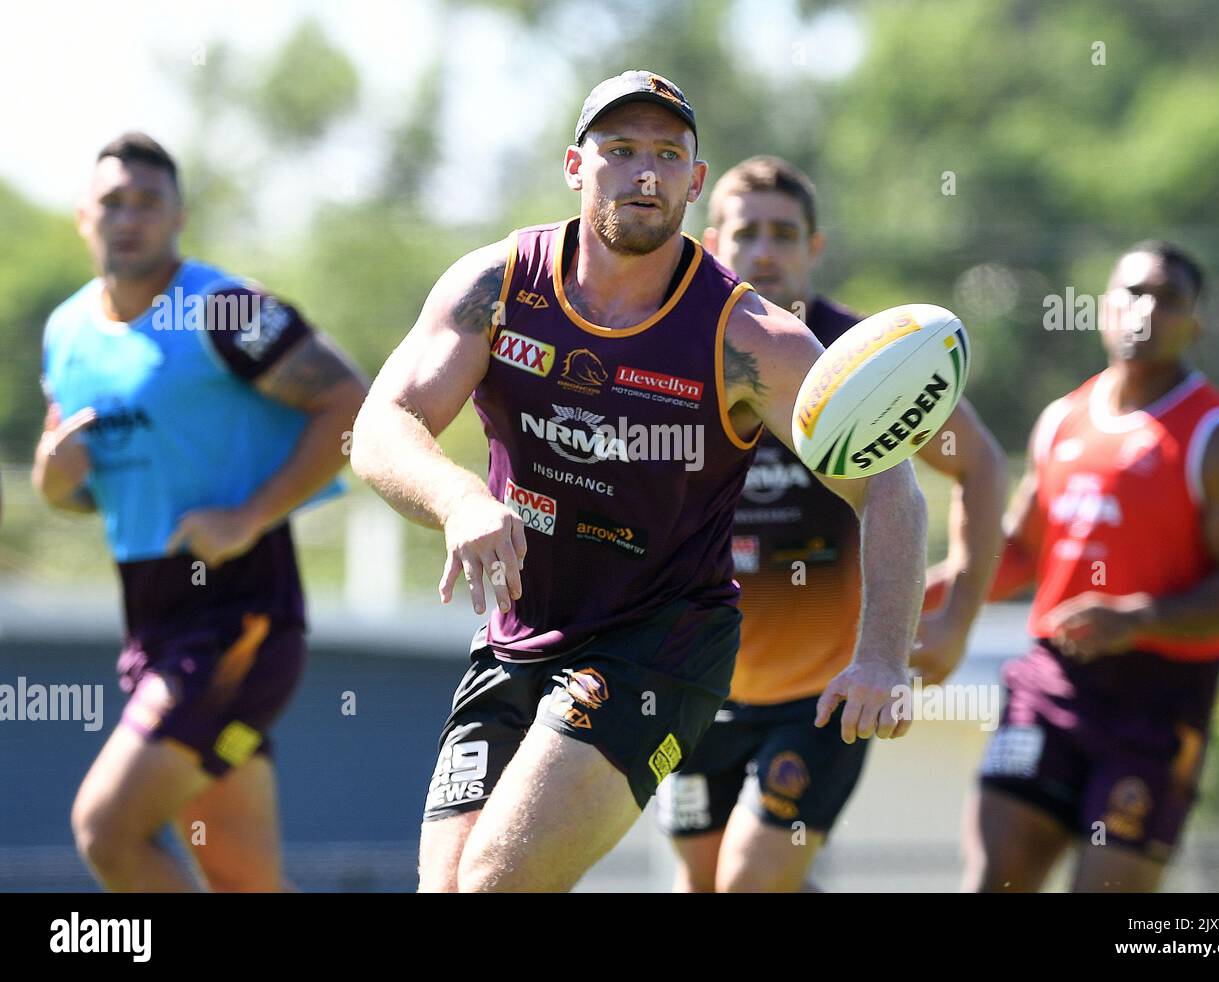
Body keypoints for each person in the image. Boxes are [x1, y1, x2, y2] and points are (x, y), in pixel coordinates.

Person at [349, 71, 928, 893]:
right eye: (620, 150)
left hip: (660, 642)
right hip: (518, 633)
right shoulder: (498, 285)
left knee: (492, 886)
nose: (644, 173)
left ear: (695, 181)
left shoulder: (750, 335)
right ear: (576, 167)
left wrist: (881, 657)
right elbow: (381, 424)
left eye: (667, 154)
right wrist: (460, 498)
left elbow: (890, 487)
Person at [655, 155, 1008, 891]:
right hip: (693, 687)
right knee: (707, 885)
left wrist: (956, 623)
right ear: (713, 239)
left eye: (784, 233)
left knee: (751, 881)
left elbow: (980, 465)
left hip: (823, 693)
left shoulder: (870, 363)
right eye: (746, 232)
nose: (765, 251)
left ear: (814, 248)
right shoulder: (673, 354)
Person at [35, 132, 368, 891]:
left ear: (178, 214)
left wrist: (249, 515)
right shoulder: (66, 332)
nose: (129, 218)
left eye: (147, 202)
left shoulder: (223, 310)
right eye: (112, 203)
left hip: (235, 620)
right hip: (151, 620)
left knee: (107, 831)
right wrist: (55, 483)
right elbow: (64, 483)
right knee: (245, 885)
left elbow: (351, 404)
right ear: (84, 215)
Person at [956, 241, 1219, 892]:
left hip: (1158, 700)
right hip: (1052, 682)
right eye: (1133, 293)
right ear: (1103, 308)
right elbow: (1019, 553)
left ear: (1195, 324)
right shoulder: (1061, 420)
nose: (1146, 311)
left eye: (1169, 300)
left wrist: (1138, 619)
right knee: (995, 881)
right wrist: (922, 591)